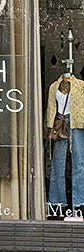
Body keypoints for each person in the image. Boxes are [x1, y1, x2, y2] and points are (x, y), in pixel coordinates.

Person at [45, 75, 84, 213]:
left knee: (79, 162)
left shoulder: (80, 85)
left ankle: (79, 201)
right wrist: (49, 126)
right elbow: (50, 107)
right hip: (60, 122)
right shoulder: (54, 86)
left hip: (77, 123)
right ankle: (57, 201)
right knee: (57, 163)